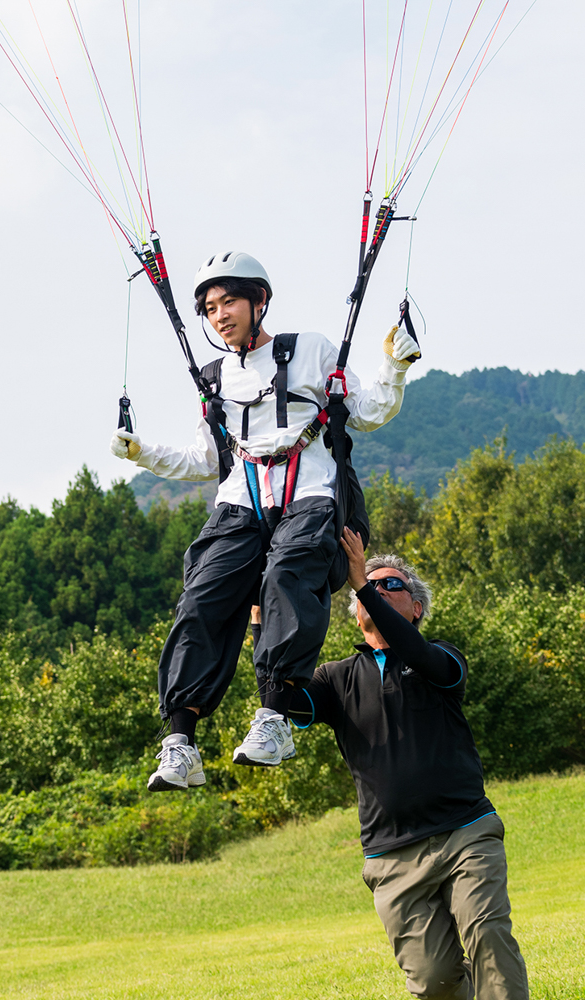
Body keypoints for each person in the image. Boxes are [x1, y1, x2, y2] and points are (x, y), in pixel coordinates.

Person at [110, 251, 420, 791]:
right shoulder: (214, 378)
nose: (219, 315)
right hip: (242, 500)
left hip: (311, 491)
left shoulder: (310, 351)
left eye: (229, 301)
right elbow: (206, 460)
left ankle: (274, 716)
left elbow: (369, 412)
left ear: (259, 301)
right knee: (202, 596)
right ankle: (181, 742)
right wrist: (144, 453)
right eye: (209, 308)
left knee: (286, 577)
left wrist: (393, 365)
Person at [292, 528, 528, 1000]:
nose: (377, 589)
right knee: (434, 981)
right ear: (356, 614)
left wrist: (360, 580)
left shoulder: (439, 658)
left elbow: (414, 650)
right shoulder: (334, 680)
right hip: (391, 855)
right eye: (371, 588)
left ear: (416, 608)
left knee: (488, 941)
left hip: (466, 832)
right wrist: (264, 621)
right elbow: (282, 704)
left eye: (391, 585)